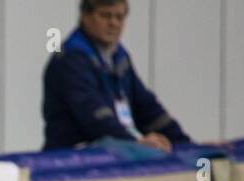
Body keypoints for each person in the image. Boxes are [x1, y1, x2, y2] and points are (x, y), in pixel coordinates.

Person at [42, 0, 190, 154]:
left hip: (113, 153)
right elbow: (95, 116)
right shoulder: (71, 58)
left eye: (119, 17)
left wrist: (184, 144)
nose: (113, 23)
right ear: (85, 16)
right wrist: (135, 144)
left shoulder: (119, 56)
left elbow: (146, 107)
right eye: (105, 16)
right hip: (71, 161)